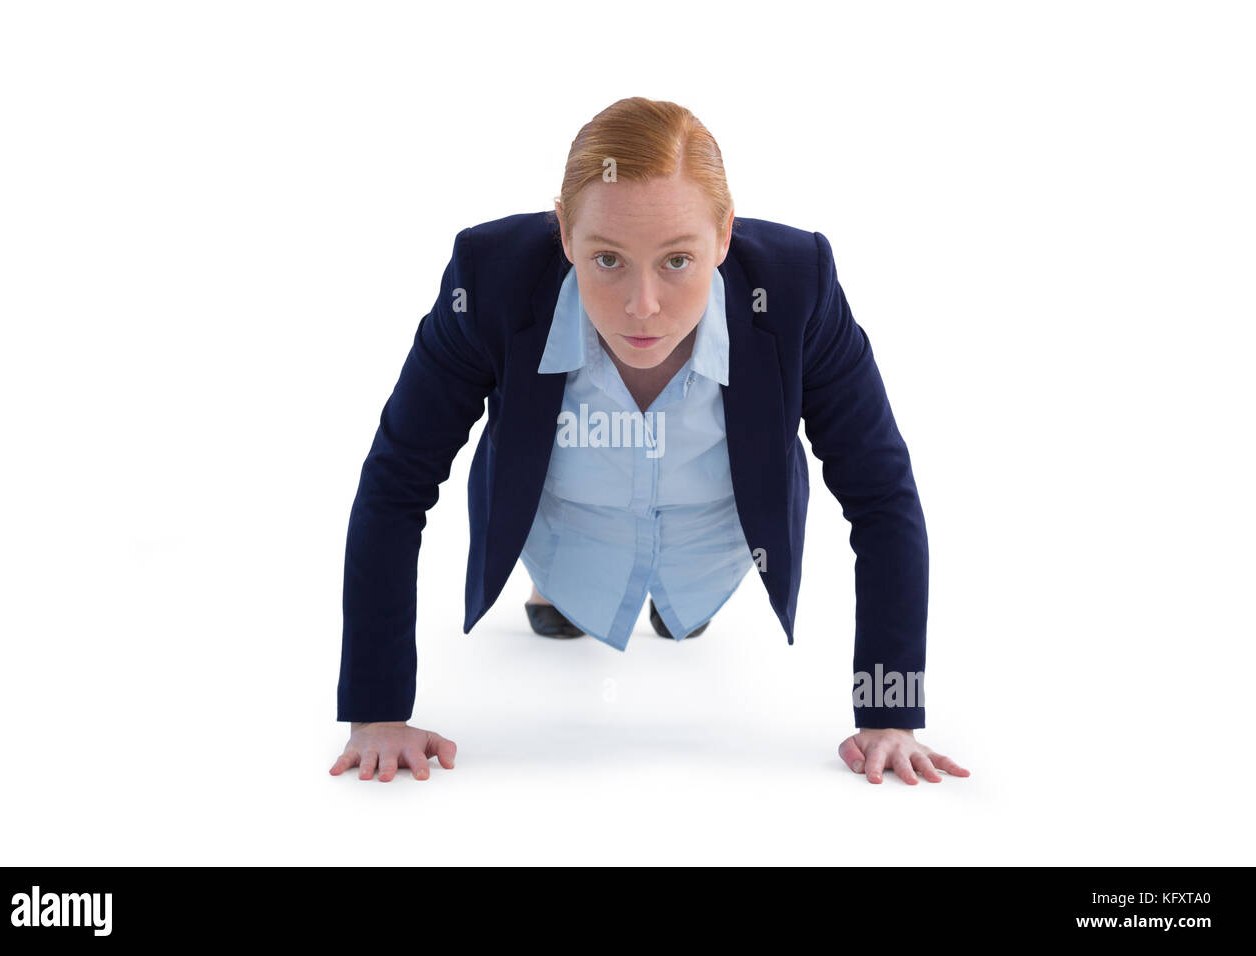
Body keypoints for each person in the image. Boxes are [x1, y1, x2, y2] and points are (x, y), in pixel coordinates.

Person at [329, 96, 970, 786]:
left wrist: (890, 714)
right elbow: (397, 481)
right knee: (566, 598)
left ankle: (675, 603)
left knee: (683, 617)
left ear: (724, 236)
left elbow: (880, 494)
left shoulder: (797, 286)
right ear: (565, 235)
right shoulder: (488, 279)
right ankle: (561, 593)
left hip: (712, 549)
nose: (642, 306)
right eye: (606, 259)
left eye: (676, 261)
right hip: (562, 529)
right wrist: (377, 712)